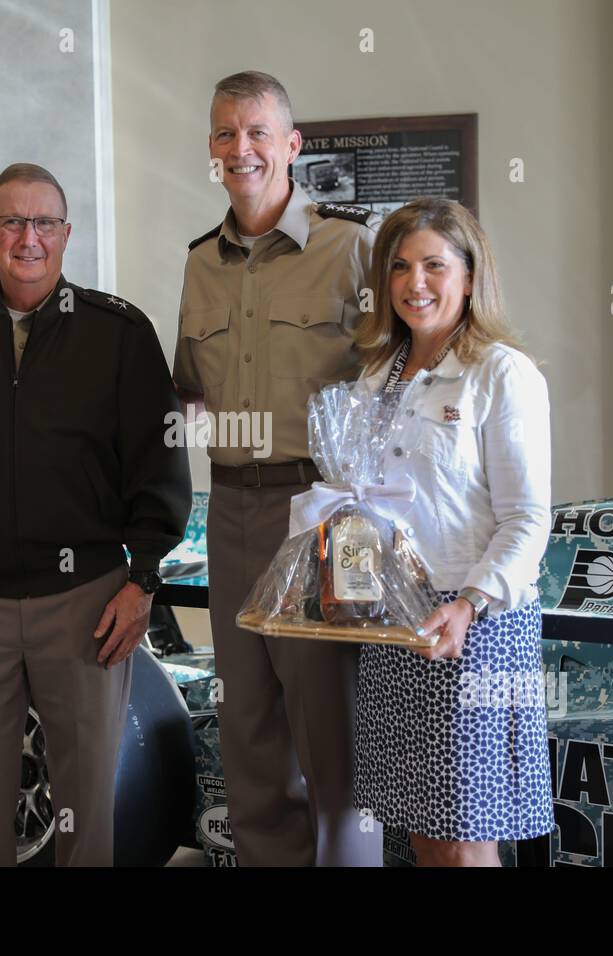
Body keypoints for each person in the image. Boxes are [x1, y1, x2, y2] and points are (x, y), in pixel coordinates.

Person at [0, 163, 191, 867]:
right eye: (11, 221)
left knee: (87, 807)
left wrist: (145, 584)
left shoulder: (117, 331)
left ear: (67, 234)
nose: (28, 237)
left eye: (43, 222)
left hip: (86, 600)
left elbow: (160, 469)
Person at [173, 71, 382, 866]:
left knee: (331, 725)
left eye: (258, 132)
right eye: (226, 134)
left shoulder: (352, 248)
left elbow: (395, 381)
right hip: (231, 509)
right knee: (249, 723)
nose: (241, 148)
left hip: (326, 513)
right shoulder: (200, 264)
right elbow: (190, 388)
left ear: (292, 145)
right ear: (212, 151)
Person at [350, 197, 554, 866]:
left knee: (463, 847)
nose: (415, 284)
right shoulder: (374, 378)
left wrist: (468, 605)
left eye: (435, 265)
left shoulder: (502, 372)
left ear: (470, 275)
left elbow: (528, 518)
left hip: (478, 630)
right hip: (393, 622)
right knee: (414, 841)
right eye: (400, 267)